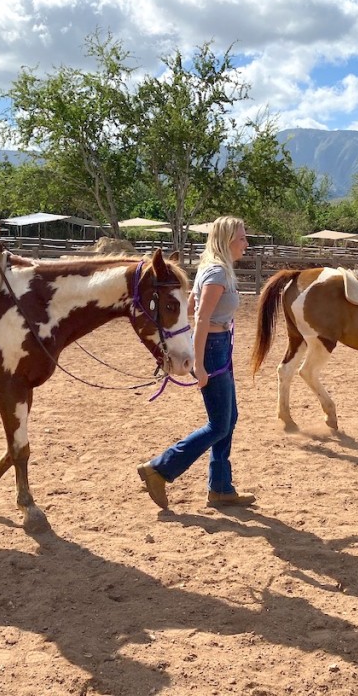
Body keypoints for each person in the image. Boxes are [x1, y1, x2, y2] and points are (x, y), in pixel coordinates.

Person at [137, 216, 255, 510]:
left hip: (219, 346)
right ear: (227, 240)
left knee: (229, 418)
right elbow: (200, 318)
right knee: (219, 424)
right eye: (242, 238)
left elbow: (190, 307)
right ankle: (160, 468)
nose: (246, 243)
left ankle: (220, 488)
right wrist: (199, 364)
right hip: (213, 349)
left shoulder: (212, 269)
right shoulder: (216, 273)